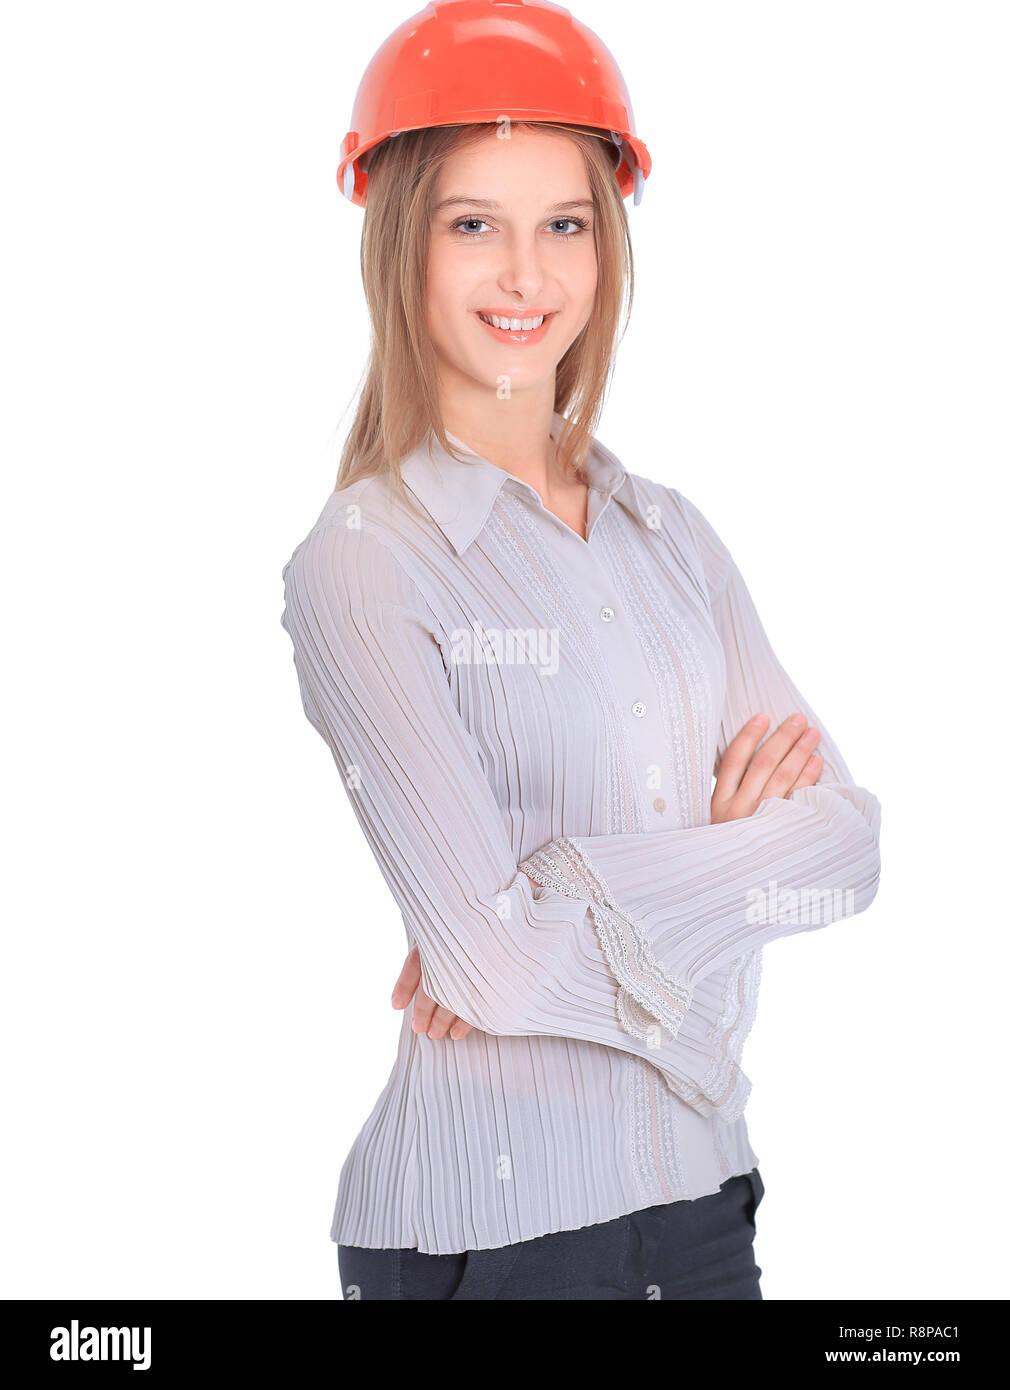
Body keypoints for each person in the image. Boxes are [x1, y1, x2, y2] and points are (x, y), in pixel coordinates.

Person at [279, 0, 882, 1301]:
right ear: (399, 245)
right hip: (501, 1233)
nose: (525, 275)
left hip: (702, 1199)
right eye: (471, 224)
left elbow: (844, 848)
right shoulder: (367, 561)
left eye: (562, 222)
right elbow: (491, 967)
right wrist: (711, 873)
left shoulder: (673, 540)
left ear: (606, 243)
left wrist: (561, 891)